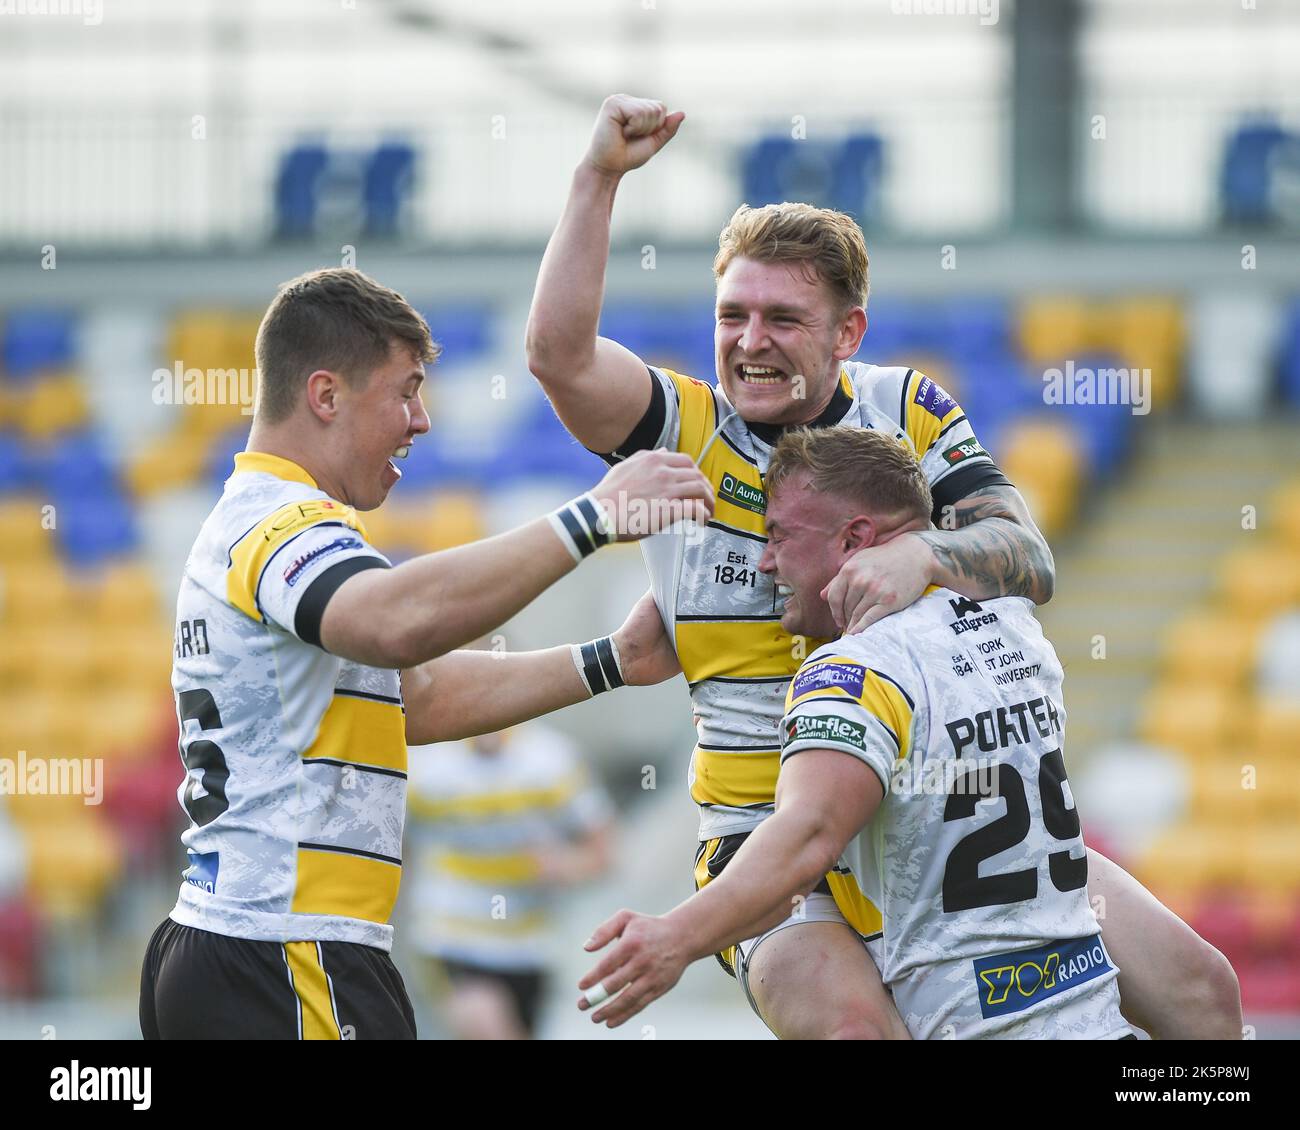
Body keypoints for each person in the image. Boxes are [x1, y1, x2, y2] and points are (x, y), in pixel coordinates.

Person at [528, 95, 1240, 1039]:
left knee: (1202, 994)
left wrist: (925, 550)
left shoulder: (906, 408)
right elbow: (557, 355)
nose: (750, 342)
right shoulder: (680, 427)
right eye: (731, 314)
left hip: (937, 820)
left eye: (783, 317)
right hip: (765, 835)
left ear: (848, 334)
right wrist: (598, 176)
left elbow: (1028, 557)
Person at [140, 267, 707, 1040]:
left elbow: (416, 693)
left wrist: (608, 662)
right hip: (286, 950)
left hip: (243, 943)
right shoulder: (282, 525)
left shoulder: (255, 522)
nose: (422, 420)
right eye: (405, 391)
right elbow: (392, 622)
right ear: (326, 395)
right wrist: (594, 518)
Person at [579, 428, 1163, 1038]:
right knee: (1205, 989)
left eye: (778, 535)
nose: (764, 560)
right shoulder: (1014, 627)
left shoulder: (852, 671)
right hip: (1092, 1019)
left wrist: (674, 937)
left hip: (973, 1020)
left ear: (854, 538)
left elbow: (807, 838)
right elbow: (1210, 990)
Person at [406, 724, 612, 1039]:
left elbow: (604, 852)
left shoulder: (551, 759)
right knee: (489, 1027)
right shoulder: (426, 762)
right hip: (452, 938)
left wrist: (564, 865)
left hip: (530, 944)